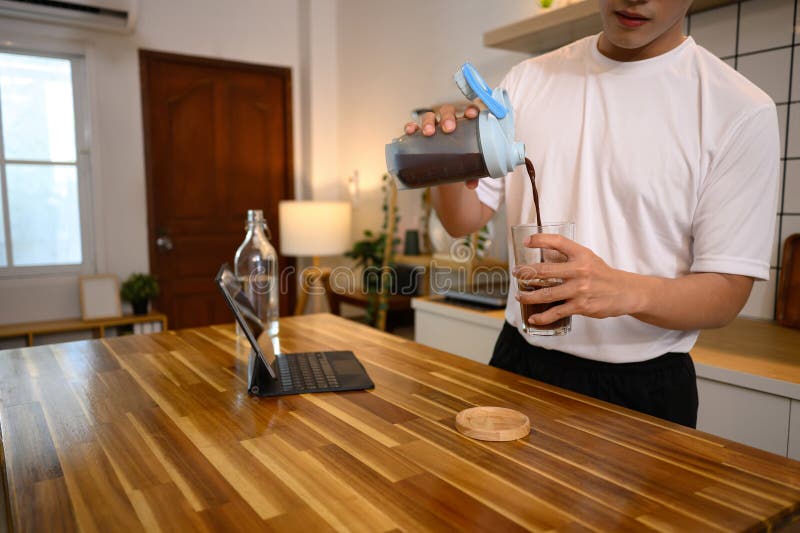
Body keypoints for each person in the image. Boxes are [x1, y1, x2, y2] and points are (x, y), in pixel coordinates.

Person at [404, 0, 780, 428]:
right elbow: (461, 220)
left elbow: (726, 292)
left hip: (643, 387)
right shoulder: (528, 81)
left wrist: (620, 290)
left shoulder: (737, 109)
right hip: (519, 358)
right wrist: (447, 158)